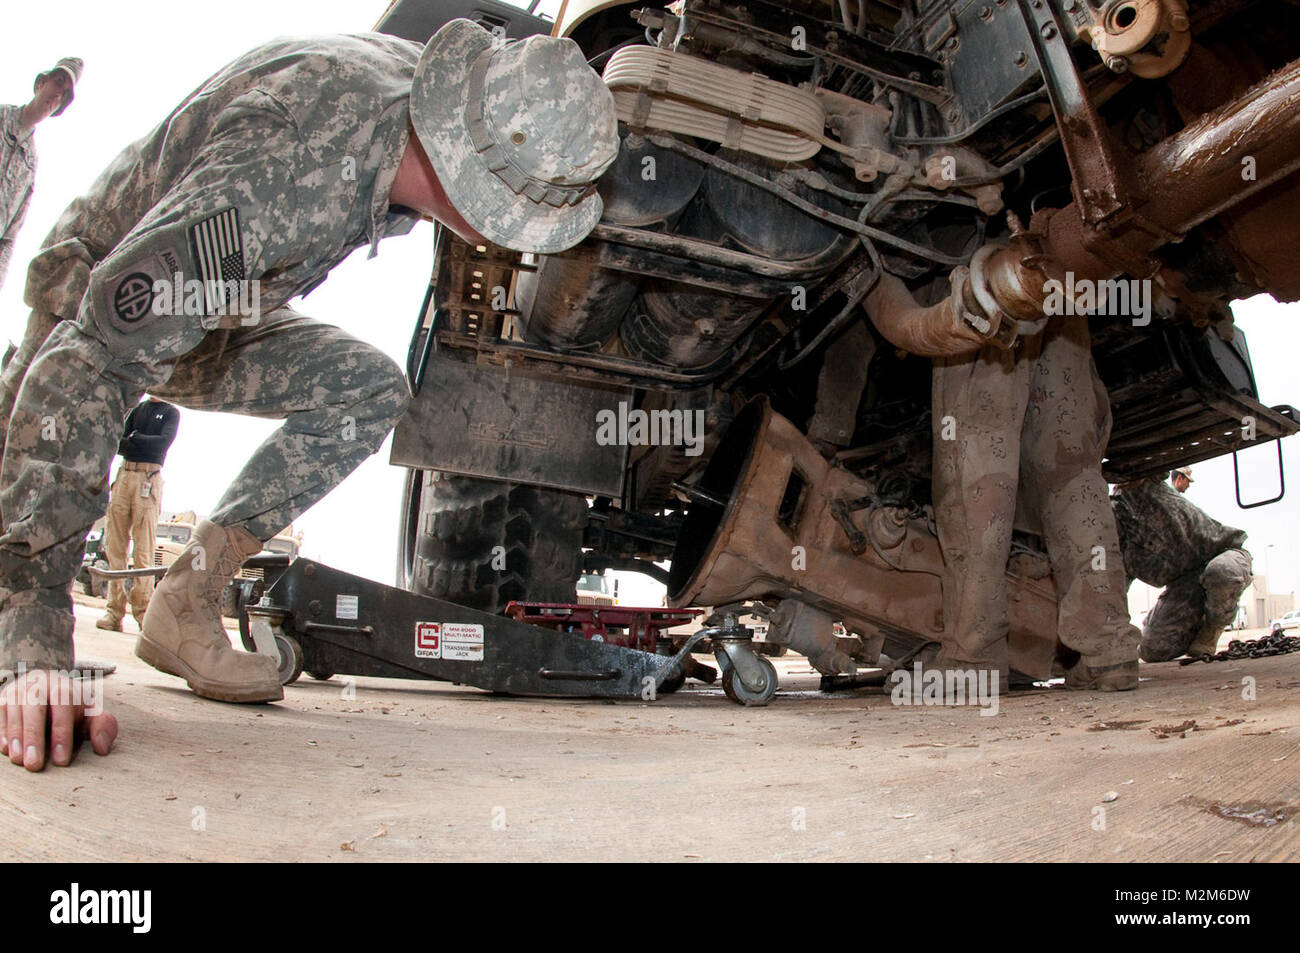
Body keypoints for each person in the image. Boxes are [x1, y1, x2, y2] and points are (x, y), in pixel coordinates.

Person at [0, 20, 619, 771]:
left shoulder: (424, 94)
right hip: (93, 304)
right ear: (483, 197)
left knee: (365, 389)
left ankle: (188, 597)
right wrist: (34, 636)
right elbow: (85, 359)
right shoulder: (290, 172)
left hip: (215, 309)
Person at [925, 314, 1142, 691]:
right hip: (1063, 298)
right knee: (1072, 471)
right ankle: (1109, 648)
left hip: (988, 289)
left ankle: (974, 654)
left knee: (976, 460)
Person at [1112, 467, 1253, 661]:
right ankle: (1196, 622)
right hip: (1185, 583)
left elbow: (1151, 466)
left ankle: (1210, 631)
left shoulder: (1145, 487)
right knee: (1152, 651)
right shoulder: (1119, 544)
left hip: (1223, 554)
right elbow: (1114, 594)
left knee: (1222, 573)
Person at [96, 397, 180, 632]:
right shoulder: (138, 409)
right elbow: (117, 442)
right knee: (115, 549)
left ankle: (144, 612)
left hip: (148, 478)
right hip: (124, 476)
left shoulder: (170, 412)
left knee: (144, 550)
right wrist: (136, 442)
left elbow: (161, 444)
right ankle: (114, 612)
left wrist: (135, 439)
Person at [0, 58, 82, 296]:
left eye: (65, 95)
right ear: (40, 83)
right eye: (58, 84)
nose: (57, 96)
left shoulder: (30, 163)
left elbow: (10, 236)